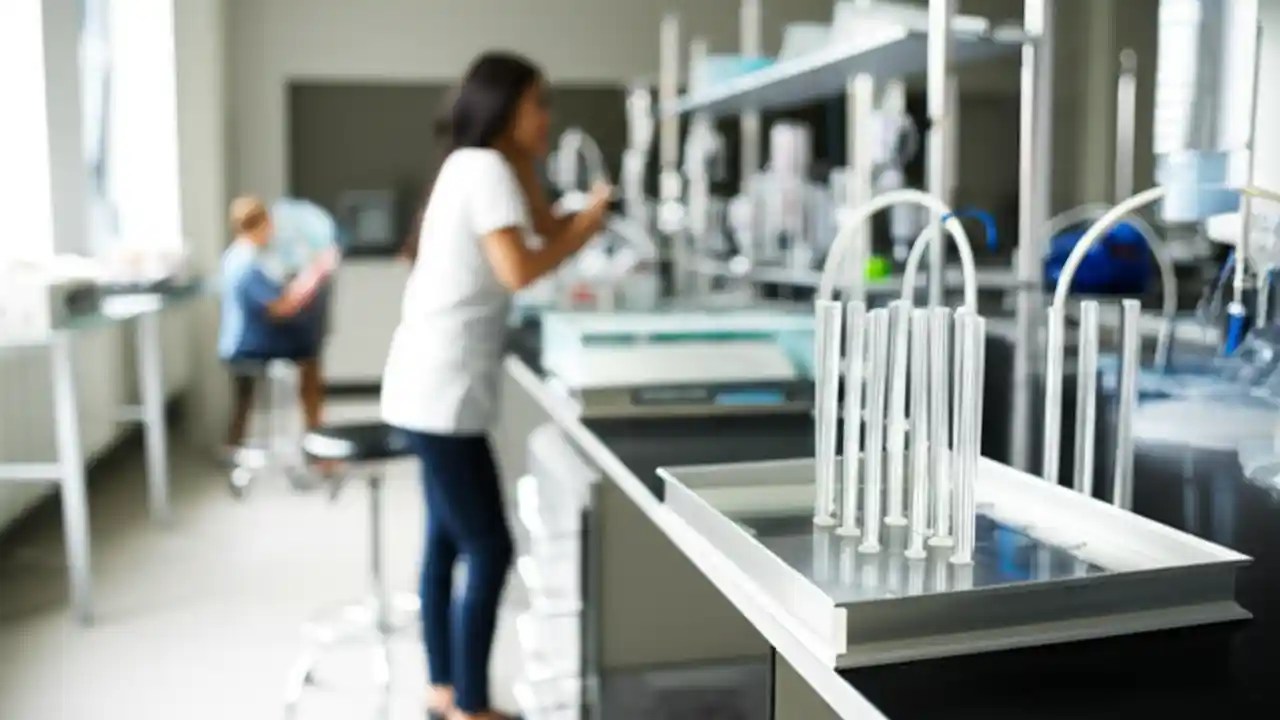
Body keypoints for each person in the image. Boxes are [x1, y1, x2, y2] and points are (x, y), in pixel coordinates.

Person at [381, 52, 610, 720]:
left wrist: (569, 205)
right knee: (489, 545)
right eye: (539, 103)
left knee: (446, 541)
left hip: (428, 384)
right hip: (440, 390)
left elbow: (539, 230)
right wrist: (589, 225)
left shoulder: (484, 167)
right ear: (505, 108)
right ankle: (472, 707)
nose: (549, 117)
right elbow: (520, 269)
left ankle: (444, 690)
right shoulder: (483, 168)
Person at [219, 196, 336, 454]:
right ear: (263, 224)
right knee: (310, 355)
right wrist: (313, 275)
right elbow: (282, 308)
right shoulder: (247, 264)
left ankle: (233, 443)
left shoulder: (233, 257)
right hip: (250, 345)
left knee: (243, 399)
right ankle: (317, 438)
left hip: (236, 342)